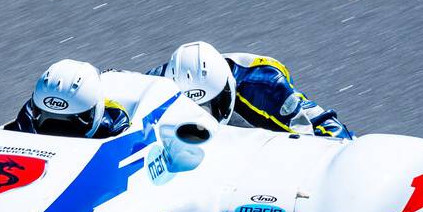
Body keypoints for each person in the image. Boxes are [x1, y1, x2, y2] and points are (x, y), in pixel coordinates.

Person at [150, 41, 352, 138]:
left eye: (210, 106)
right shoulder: (157, 83)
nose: (203, 117)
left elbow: (316, 135)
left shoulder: (265, 87)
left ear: (226, 92)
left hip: (271, 99)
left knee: (322, 140)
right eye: (194, 108)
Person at [11, 59, 130, 139]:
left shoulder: (114, 126)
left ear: (96, 112)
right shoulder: (26, 118)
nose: (57, 131)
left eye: (73, 122)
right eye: (45, 116)